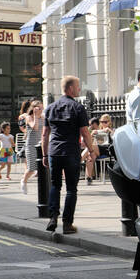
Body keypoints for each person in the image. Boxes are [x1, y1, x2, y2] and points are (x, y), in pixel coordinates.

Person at [42, 76, 95, 234]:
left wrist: (45, 155)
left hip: (54, 153)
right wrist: (91, 151)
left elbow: (45, 134)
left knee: (55, 185)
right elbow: (85, 132)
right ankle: (67, 224)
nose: (79, 90)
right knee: (71, 189)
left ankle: (52, 218)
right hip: (71, 152)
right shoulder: (78, 108)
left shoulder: (50, 107)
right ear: (71, 88)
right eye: (78, 87)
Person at [20, 98, 42, 194]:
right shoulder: (29, 117)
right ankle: (23, 181)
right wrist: (36, 116)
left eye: (42, 108)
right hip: (31, 145)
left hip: (40, 144)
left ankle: (43, 186)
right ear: (34, 109)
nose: (41, 110)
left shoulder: (43, 117)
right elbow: (35, 127)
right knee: (31, 168)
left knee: (43, 167)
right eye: (39, 108)